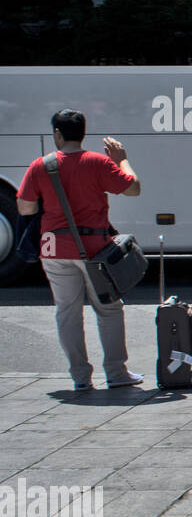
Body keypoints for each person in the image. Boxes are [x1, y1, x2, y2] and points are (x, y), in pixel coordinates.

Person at [15, 110, 144, 391]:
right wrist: (121, 159)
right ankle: (116, 373)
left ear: (57, 134)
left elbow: (25, 208)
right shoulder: (97, 163)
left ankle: (81, 378)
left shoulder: (41, 165)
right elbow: (133, 189)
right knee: (108, 310)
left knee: (67, 312)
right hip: (95, 250)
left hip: (53, 250)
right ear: (82, 132)